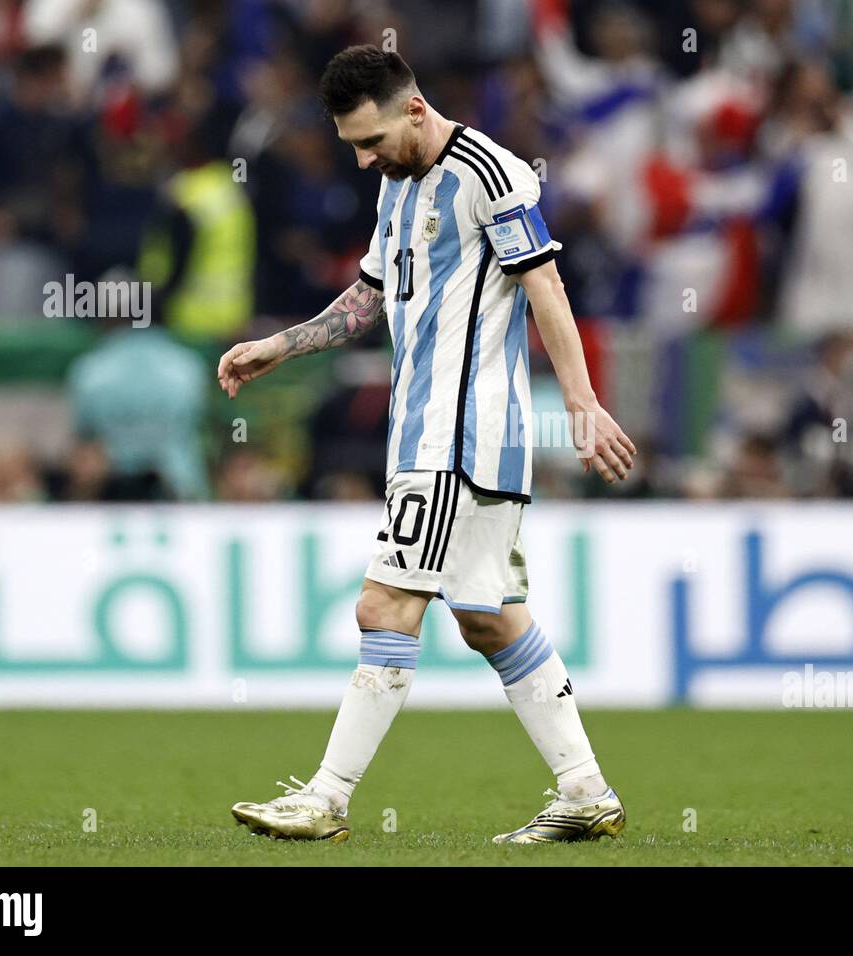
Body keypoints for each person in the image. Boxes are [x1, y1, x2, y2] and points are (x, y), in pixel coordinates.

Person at [216, 46, 637, 844]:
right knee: (488, 616)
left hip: (457, 432)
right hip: (435, 432)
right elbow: (373, 294)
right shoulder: (395, 183)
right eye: (352, 147)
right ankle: (585, 790)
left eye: (372, 141)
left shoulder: (489, 171)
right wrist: (284, 344)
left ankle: (326, 798)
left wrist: (581, 401)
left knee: (384, 604)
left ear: (414, 109)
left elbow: (544, 283)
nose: (365, 158)